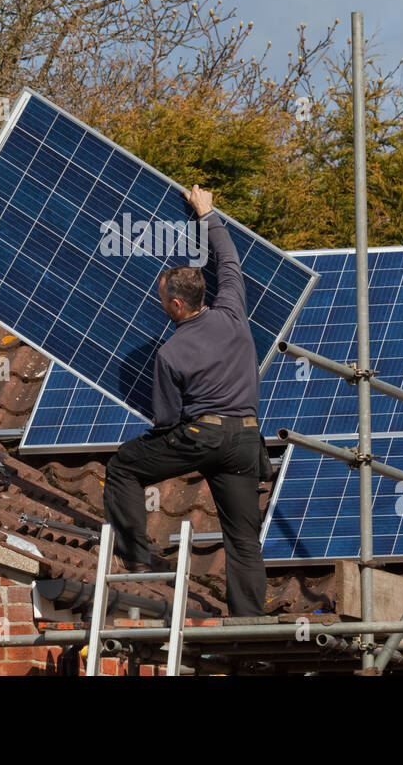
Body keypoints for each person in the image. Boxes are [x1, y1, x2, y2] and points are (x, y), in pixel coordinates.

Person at [102, 185, 268, 617]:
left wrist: (171, 433)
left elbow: (166, 419)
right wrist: (207, 214)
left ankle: (136, 553)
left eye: (162, 302)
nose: (160, 308)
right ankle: (248, 620)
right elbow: (229, 262)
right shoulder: (233, 310)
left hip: (202, 436)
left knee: (123, 465)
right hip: (248, 441)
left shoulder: (171, 352)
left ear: (176, 304)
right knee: (244, 539)